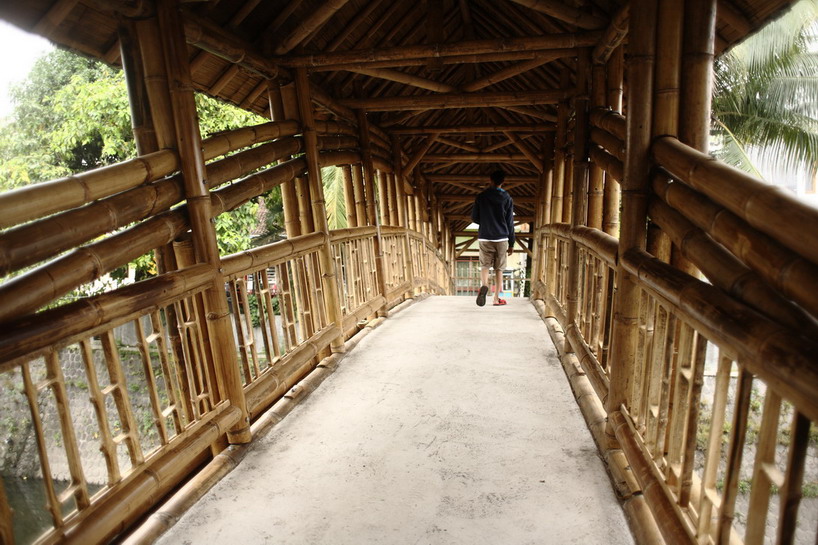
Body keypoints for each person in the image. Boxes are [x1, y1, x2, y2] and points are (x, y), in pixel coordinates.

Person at [471, 169, 514, 307]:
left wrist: (485, 222)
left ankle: (484, 286)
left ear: (491, 180)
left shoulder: (481, 196)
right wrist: (512, 242)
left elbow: (474, 217)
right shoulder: (507, 198)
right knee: (499, 268)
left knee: (485, 265)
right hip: (501, 237)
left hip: (485, 236)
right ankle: (496, 298)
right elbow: (510, 222)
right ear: (503, 182)